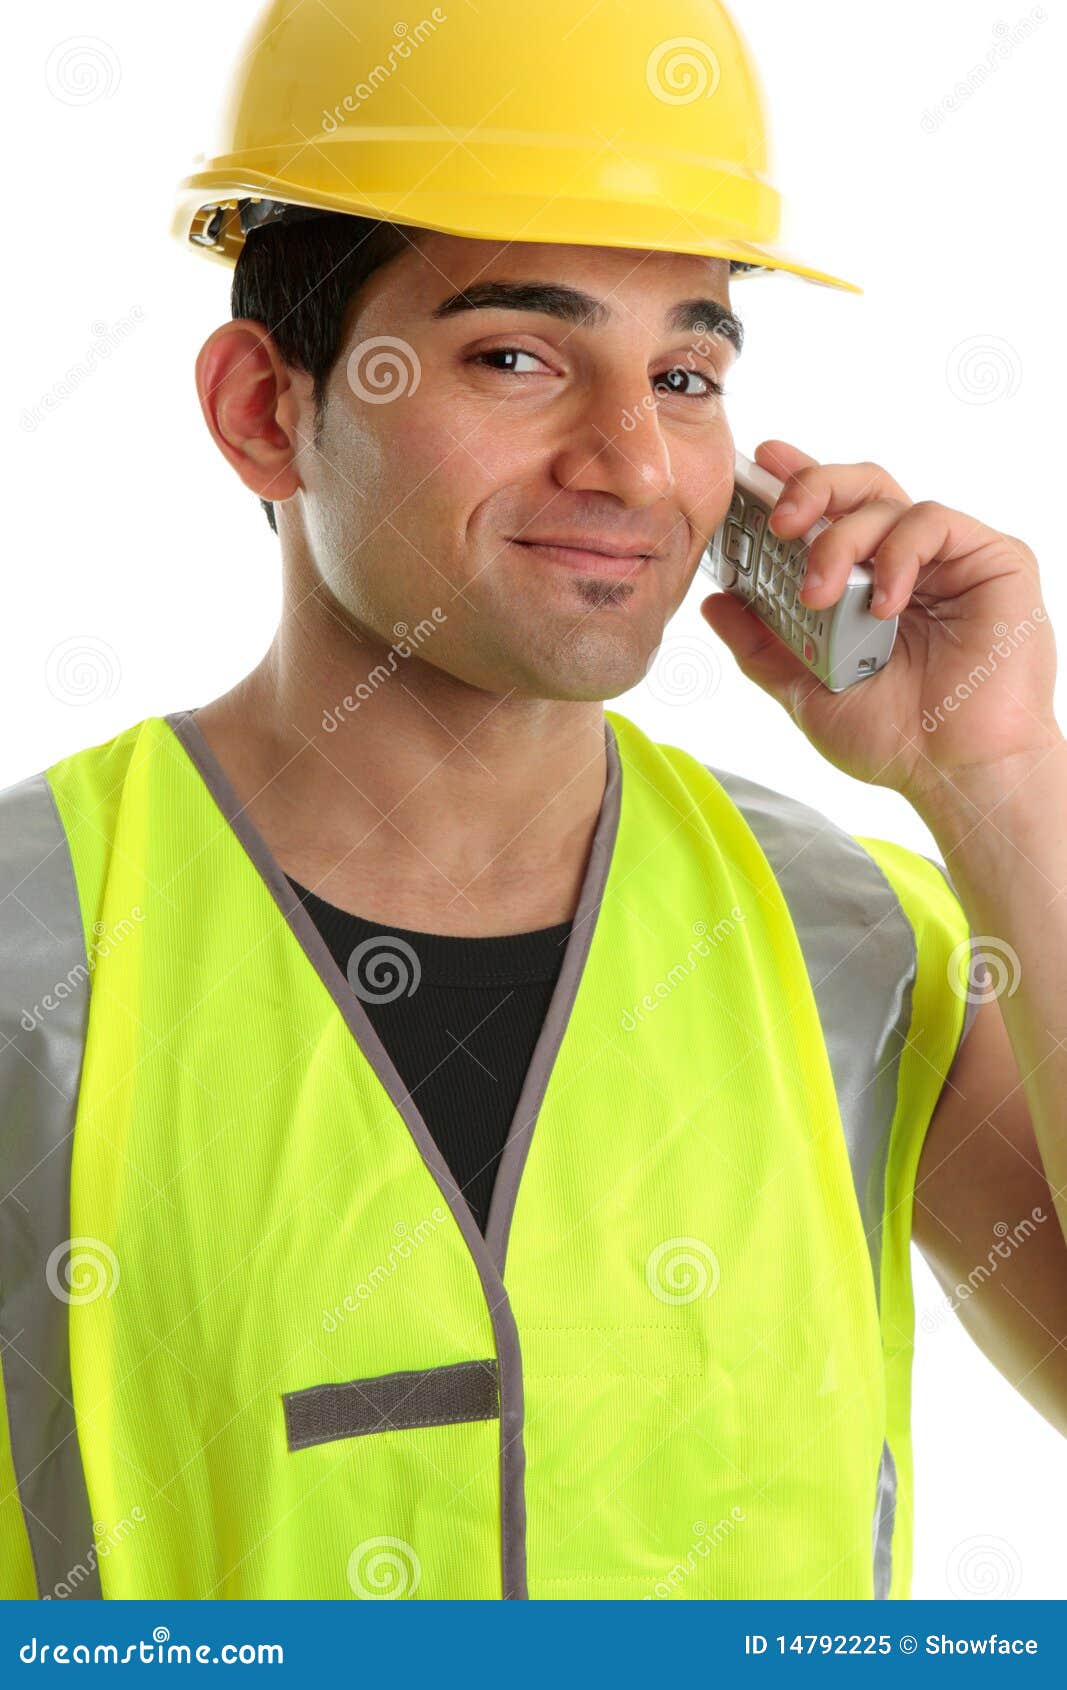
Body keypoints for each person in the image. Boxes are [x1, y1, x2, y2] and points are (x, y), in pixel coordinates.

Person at [1, 0, 1064, 1604]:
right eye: (514, 356)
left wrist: (997, 780)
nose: (635, 462)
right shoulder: (32, 942)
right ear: (263, 408)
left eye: (689, 371)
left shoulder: (854, 945)